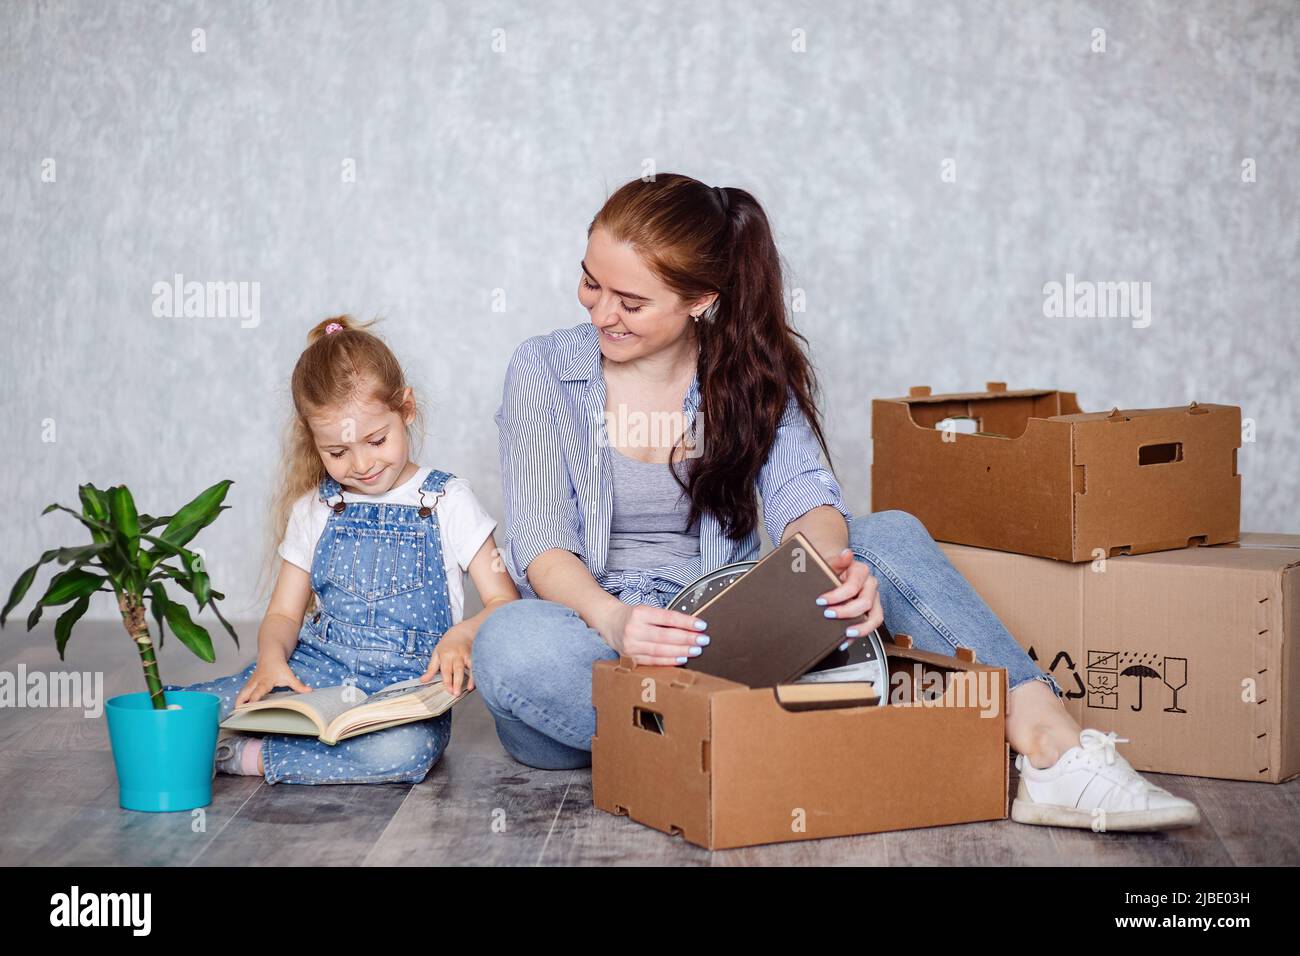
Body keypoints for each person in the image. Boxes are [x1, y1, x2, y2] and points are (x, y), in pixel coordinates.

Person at [473, 173, 1199, 831]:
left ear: (702, 300)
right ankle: (783, 736)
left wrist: (832, 568)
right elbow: (540, 543)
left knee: (883, 532)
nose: (602, 312)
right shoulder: (542, 370)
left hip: (723, 639)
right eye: (590, 283)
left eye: (631, 301)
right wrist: (616, 620)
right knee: (510, 643)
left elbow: (805, 499)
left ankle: (1050, 745)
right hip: (594, 642)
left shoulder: (749, 376)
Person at [167, 315, 518, 784]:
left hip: (404, 688)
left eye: (377, 440)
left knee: (403, 753)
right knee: (178, 710)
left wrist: (464, 635)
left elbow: (504, 602)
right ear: (312, 439)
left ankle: (246, 756)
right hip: (314, 670)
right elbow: (284, 616)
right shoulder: (316, 509)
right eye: (337, 452)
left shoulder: (448, 500)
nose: (362, 464)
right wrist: (272, 659)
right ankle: (251, 733)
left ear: (406, 409)